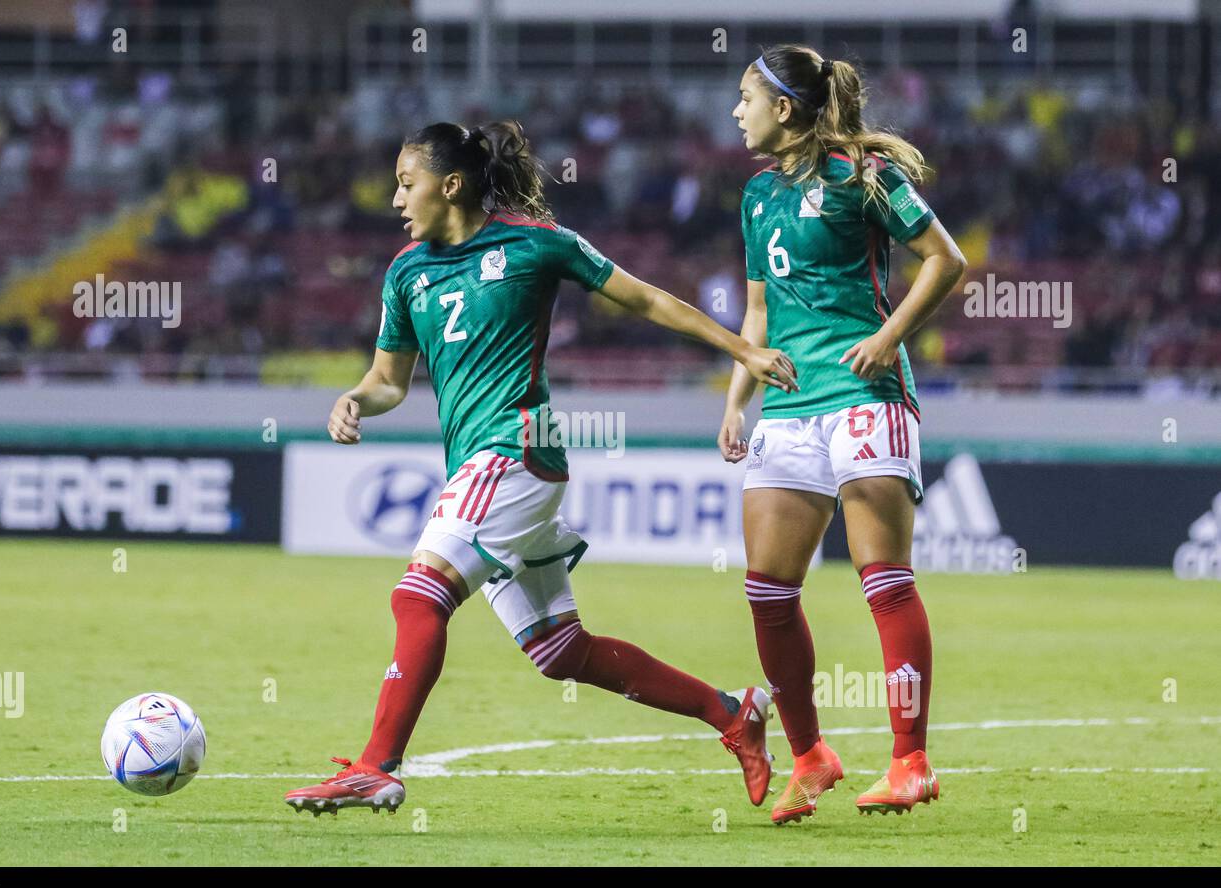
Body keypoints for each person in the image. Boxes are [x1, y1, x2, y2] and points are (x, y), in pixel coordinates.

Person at [285, 120, 798, 816]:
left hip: (517, 450)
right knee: (561, 651)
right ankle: (735, 715)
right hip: (481, 464)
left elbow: (646, 297)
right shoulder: (407, 272)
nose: (396, 197)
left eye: (407, 182)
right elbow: (388, 379)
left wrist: (744, 350)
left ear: (452, 184)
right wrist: (355, 399)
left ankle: (378, 765)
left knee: (418, 594)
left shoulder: (535, 245)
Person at [719, 45, 967, 822]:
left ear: (783, 108)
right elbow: (757, 316)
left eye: (745, 98)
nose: (736, 111)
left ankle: (911, 761)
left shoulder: (863, 176)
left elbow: (945, 260)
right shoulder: (756, 196)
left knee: (883, 578)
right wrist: (736, 400)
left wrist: (892, 334)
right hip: (788, 411)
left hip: (865, 396)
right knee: (766, 591)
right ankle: (812, 757)